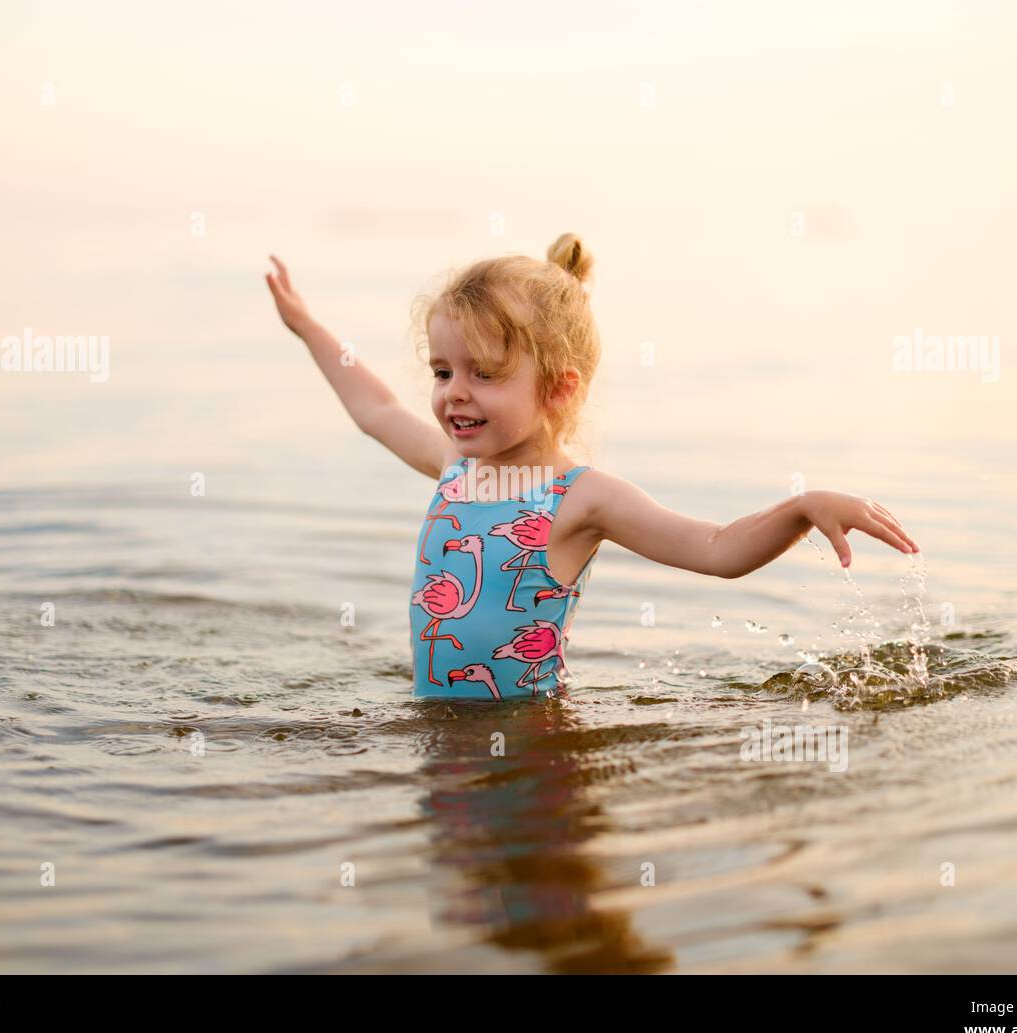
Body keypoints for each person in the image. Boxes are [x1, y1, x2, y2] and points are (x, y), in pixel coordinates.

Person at [265, 234, 918, 701]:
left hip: (533, 744)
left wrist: (802, 506)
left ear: (558, 390)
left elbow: (716, 549)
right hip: (443, 734)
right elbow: (374, 406)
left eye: (483, 374)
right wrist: (307, 327)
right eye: (442, 371)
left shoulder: (581, 499)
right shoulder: (454, 464)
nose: (452, 392)